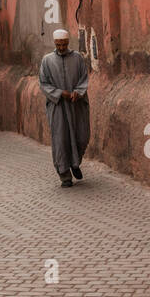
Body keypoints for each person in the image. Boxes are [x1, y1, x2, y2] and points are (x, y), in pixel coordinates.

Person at [38, 28, 90, 187]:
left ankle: (75, 163)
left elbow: (84, 78)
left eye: (64, 44)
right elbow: (44, 84)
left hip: (77, 105)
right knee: (60, 139)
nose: (61, 48)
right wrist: (61, 94)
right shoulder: (47, 60)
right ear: (55, 43)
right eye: (58, 45)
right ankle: (65, 175)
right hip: (58, 106)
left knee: (82, 136)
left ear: (68, 43)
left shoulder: (78, 58)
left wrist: (78, 93)